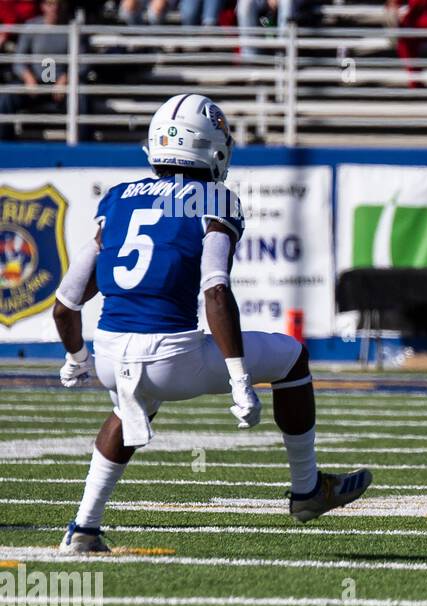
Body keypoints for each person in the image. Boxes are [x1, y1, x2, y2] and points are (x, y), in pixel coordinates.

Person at [50, 93, 372, 553]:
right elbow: (215, 290)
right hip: (170, 358)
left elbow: (66, 302)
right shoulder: (214, 199)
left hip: (109, 352)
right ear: (211, 146)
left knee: (131, 402)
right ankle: (307, 489)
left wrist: (76, 357)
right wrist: (241, 381)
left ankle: (83, 527)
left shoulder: (118, 198)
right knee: (292, 358)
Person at [0, 0, 89, 142]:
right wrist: (28, 77)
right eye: (50, 4)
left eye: (59, 4)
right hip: (34, 84)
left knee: (82, 97)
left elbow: (83, 64)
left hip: (62, 87)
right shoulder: (31, 27)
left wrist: (66, 78)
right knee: (6, 97)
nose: (55, 9)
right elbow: (19, 60)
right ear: (42, 6)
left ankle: (82, 144)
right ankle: (5, 142)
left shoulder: (74, 29)